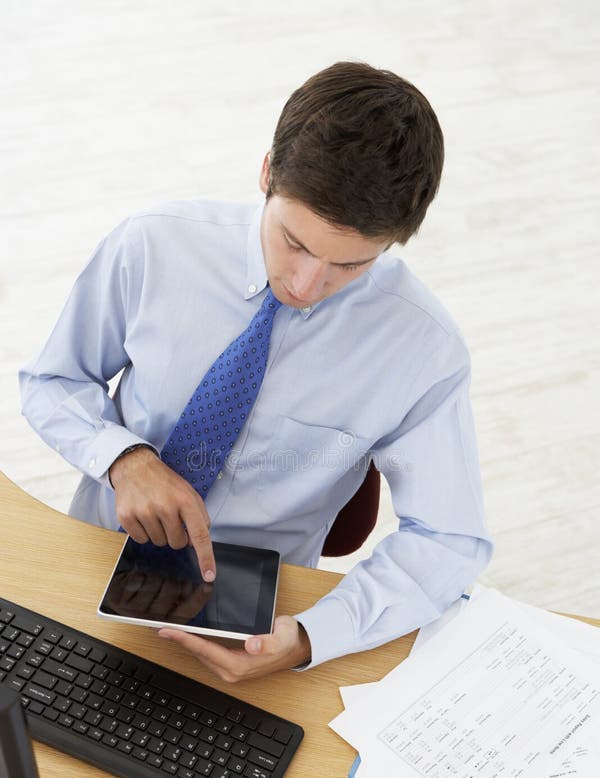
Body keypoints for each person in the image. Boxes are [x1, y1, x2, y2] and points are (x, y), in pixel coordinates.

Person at [19, 61, 493, 681]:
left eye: (349, 266)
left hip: (259, 621)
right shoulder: (152, 246)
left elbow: (450, 539)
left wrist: (310, 638)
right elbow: (54, 381)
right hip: (93, 558)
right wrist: (123, 457)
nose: (306, 283)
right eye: (294, 242)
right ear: (268, 172)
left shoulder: (422, 350)